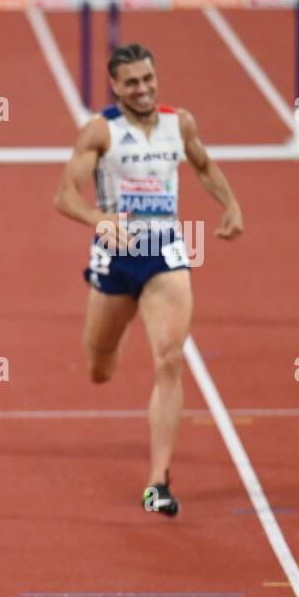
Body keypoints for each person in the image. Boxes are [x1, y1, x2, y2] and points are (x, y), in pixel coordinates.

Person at [56, 43, 243, 515]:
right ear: (115, 87)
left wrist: (231, 204)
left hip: (165, 253)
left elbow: (202, 164)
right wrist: (98, 218)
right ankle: (113, 337)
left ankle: (158, 481)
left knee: (169, 359)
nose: (142, 89)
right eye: (132, 82)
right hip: (117, 257)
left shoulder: (179, 123)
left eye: (148, 80)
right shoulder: (100, 131)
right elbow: (64, 196)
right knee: (100, 369)